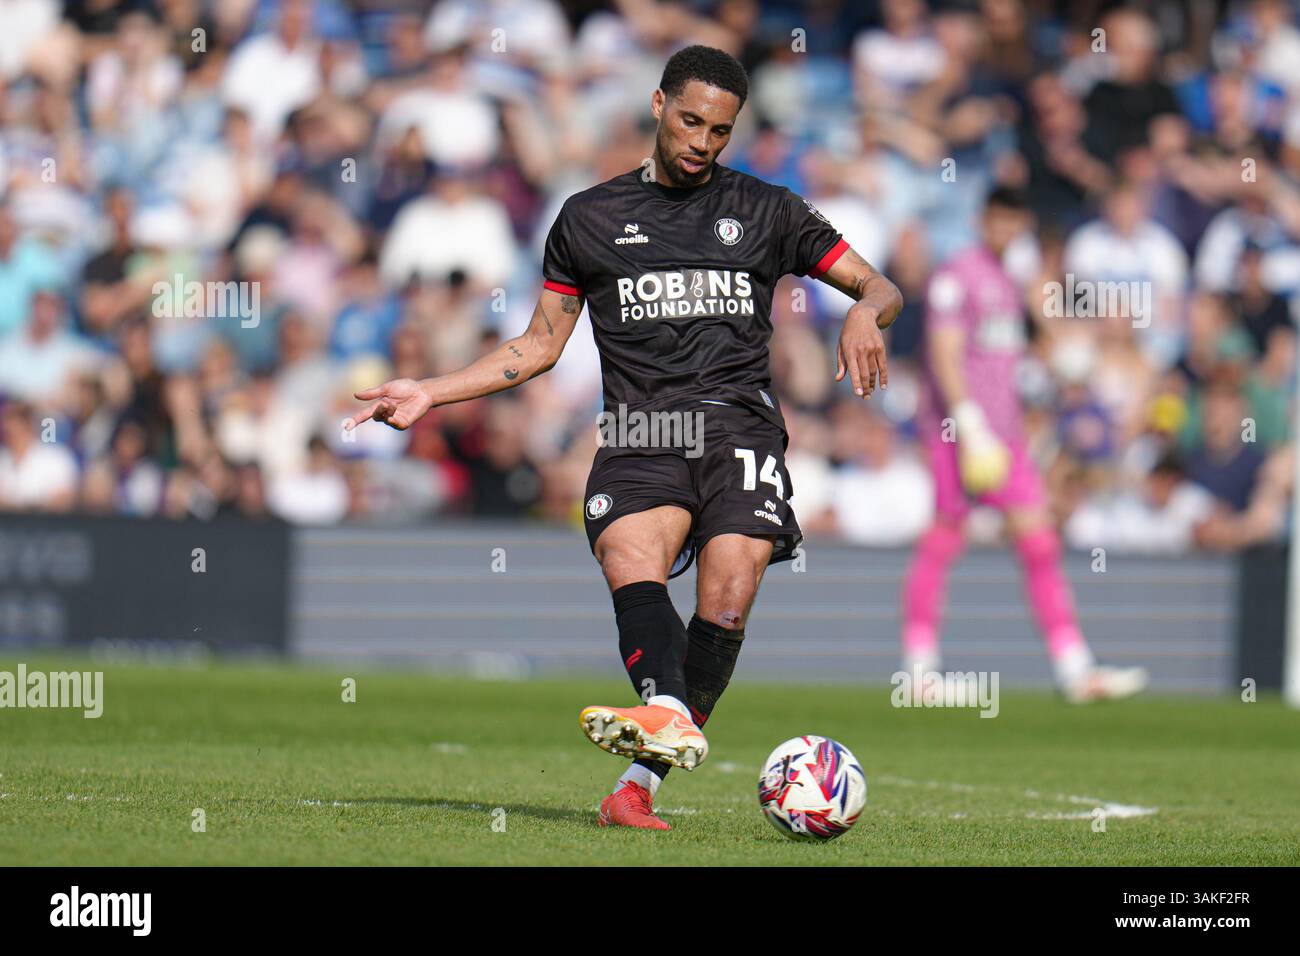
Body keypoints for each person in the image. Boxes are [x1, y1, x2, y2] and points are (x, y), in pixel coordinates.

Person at [346, 46, 902, 830]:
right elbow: (539, 347)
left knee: (729, 596)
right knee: (629, 557)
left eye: (720, 129)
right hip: (643, 429)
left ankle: (637, 784)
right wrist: (429, 391)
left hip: (738, 424)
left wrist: (860, 311)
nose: (703, 142)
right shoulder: (589, 219)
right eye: (690, 120)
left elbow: (881, 285)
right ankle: (667, 707)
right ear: (656, 105)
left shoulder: (771, 209)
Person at [899, 187, 1147, 703]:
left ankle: (1075, 669)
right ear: (981, 219)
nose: (1006, 231)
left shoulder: (1009, 282)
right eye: (999, 220)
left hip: (1004, 437)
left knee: (1038, 541)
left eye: (1015, 222)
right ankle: (919, 672)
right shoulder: (956, 275)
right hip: (958, 432)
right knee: (945, 536)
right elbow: (944, 353)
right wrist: (967, 425)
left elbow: (1018, 352)